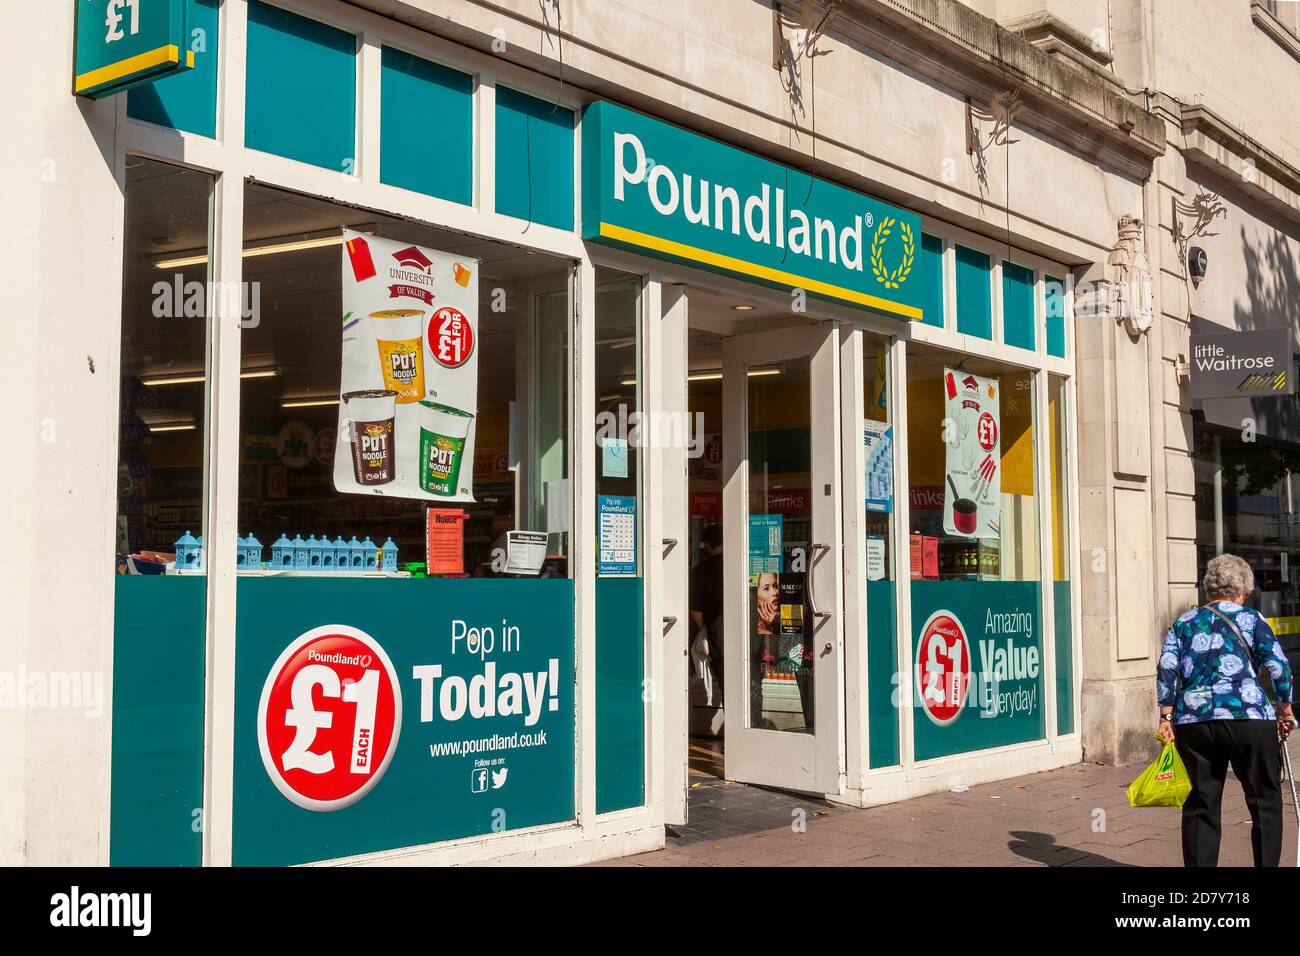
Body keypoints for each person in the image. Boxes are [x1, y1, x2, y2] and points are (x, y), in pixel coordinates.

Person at [1156, 553, 1294, 867]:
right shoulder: (1252, 619)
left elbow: (1166, 668)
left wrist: (1166, 715)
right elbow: (1279, 668)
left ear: (1209, 587)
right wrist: (1284, 709)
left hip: (1195, 721)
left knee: (1200, 804)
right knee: (1265, 801)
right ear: (1243, 589)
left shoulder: (1185, 622)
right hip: (1248, 718)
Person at [689, 524, 725, 690]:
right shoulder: (743, 565)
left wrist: (706, 629)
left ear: (708, 545)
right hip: (748, 639)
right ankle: (753, 716)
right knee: (752, 686)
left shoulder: (700, 571)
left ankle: (733, 716)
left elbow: (696, 612)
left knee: (727, 685)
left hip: (717, 638)